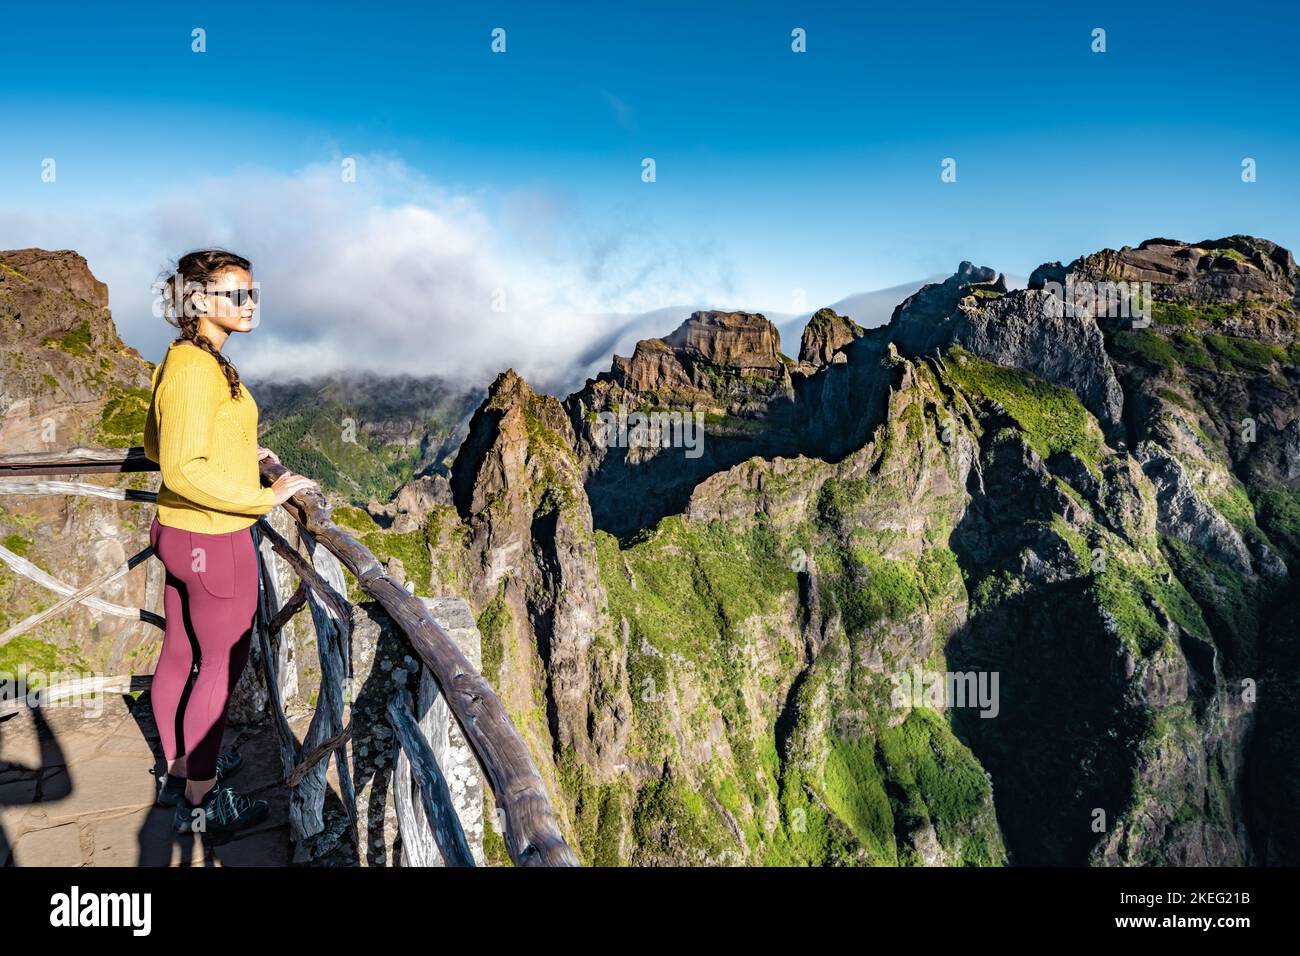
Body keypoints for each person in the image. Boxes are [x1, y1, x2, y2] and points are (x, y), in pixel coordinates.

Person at [141, 248, 318, 844]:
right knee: (218, 665)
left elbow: (154, 443)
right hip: (213, 539)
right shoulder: (197, 368)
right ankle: (203, 796)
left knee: (179, 652)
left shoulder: (185, 359)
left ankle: (178, 768)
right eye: (234, 293)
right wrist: (265, 497)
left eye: (252, 292)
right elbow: (183, 468)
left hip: (177, 532)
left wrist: (250, 456)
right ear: (198, 300)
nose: (249, 304)